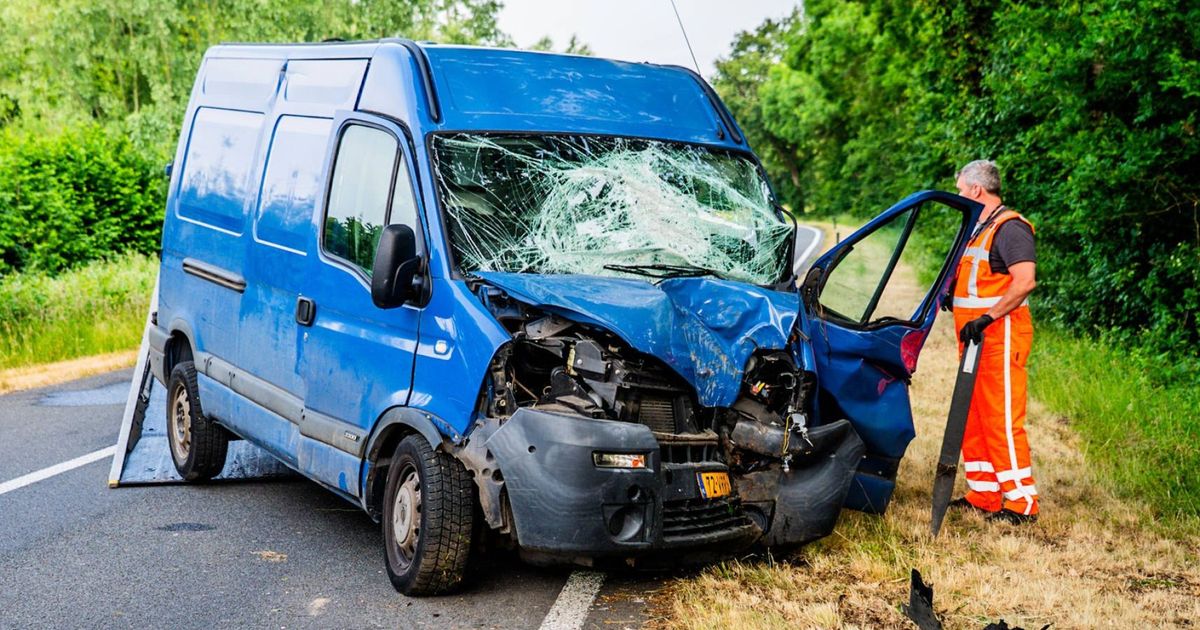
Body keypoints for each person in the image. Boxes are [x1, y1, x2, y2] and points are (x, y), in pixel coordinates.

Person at [948, 160, 1039, 524]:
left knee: (1001, 418)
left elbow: (1024, 281)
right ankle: (985, 492)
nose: (959, 194)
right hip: (975, 339)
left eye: (960, 188)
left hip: (1000, 336)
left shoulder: (1011, 228)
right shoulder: (979, 228)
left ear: (975, 190)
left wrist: (988, 317)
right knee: (973, 416)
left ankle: (1021, 502)